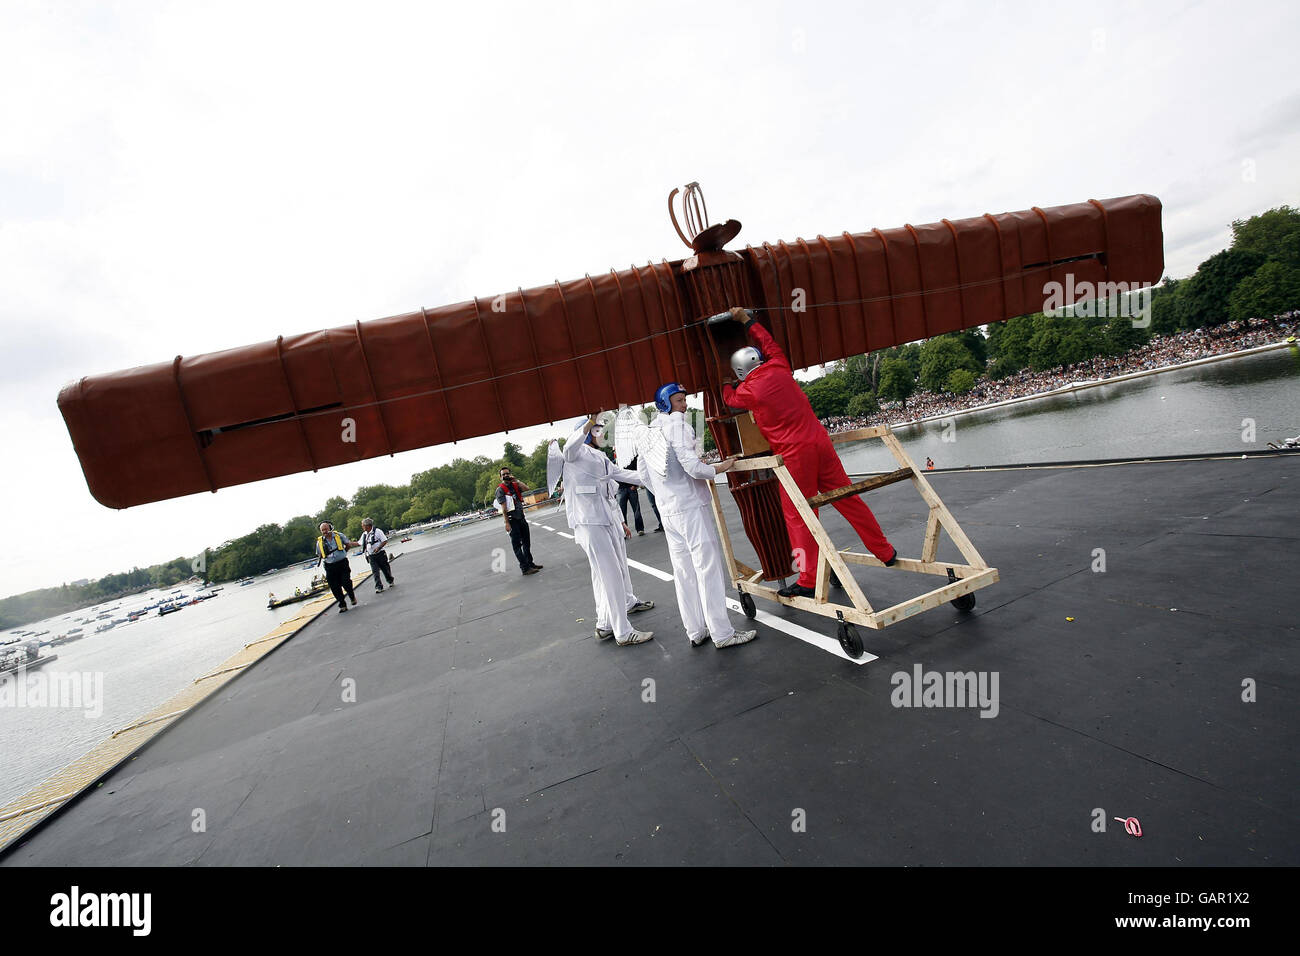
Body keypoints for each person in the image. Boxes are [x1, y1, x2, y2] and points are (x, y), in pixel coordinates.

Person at [721, 307, 897, 599]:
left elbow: (729, 400)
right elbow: (769, 342)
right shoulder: (779, 365)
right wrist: (747, 320)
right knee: (848, 498)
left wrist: (725, 384)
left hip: (794, 455)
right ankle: (885, 551)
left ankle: (807, 579)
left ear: (741, 372)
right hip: (820, 442)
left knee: (798, 515)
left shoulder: (748, 391)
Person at [637, 383, 758, 649]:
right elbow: (693, 467)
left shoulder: (648, 432)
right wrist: (721, 467)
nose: (685, 405)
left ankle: (695, 630)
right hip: (691, 507)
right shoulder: (677, 425)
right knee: (708, 569)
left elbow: (644, 474)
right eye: (679, 401)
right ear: (667, 404)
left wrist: (665, 493)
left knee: (683, 573)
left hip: (668, 510)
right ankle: (722, 633)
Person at [560, 417, 654, 645]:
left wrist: (656, 476)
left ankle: (604, 624)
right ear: (589, 432)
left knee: (605, 575)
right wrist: (589, 421)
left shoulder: (599, 457)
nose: (604, 434)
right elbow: (569, 446)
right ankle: (623, 632)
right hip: (589, 522)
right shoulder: (575, 453)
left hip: (604, 519)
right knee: (611, 575)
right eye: (599, 430)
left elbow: (622, 474)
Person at [496, 466, 543, 575]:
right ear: (500, 477)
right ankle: (524, 568)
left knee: (526, 542)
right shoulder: (500, 490)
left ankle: (530, 563)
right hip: (512, 520)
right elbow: (504, 508)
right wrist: (507, 523)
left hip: (521, 517)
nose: (505, 476)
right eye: (503, 474)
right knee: (517, 545)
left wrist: (516, 480)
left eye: (507, 473)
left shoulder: (515, 485)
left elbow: (527, 488)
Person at [315, 521, 358, 613]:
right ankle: (342, 604)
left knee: (346, 582)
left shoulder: (339, 535)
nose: (324, 532)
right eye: (322, 530)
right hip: (330, 566)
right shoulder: (319, 542)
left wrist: (343, 553)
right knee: (334, 587)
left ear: (330, 528)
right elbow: (319, 554)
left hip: (342, 564)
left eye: (326, 529)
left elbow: (348, 545)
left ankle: (351, 596)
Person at [358, 518, 396, 592]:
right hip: (371, 556)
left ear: (367, 526)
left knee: (385, 569)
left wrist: (378, 548)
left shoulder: (378, 531)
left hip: (380, 554)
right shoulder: (364, 534)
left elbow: (384, 540)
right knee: (375, 571)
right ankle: (379, 586)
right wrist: (348, 543)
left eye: (363, 525)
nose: (362, 527)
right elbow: (359, 543)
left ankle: (390, 580)